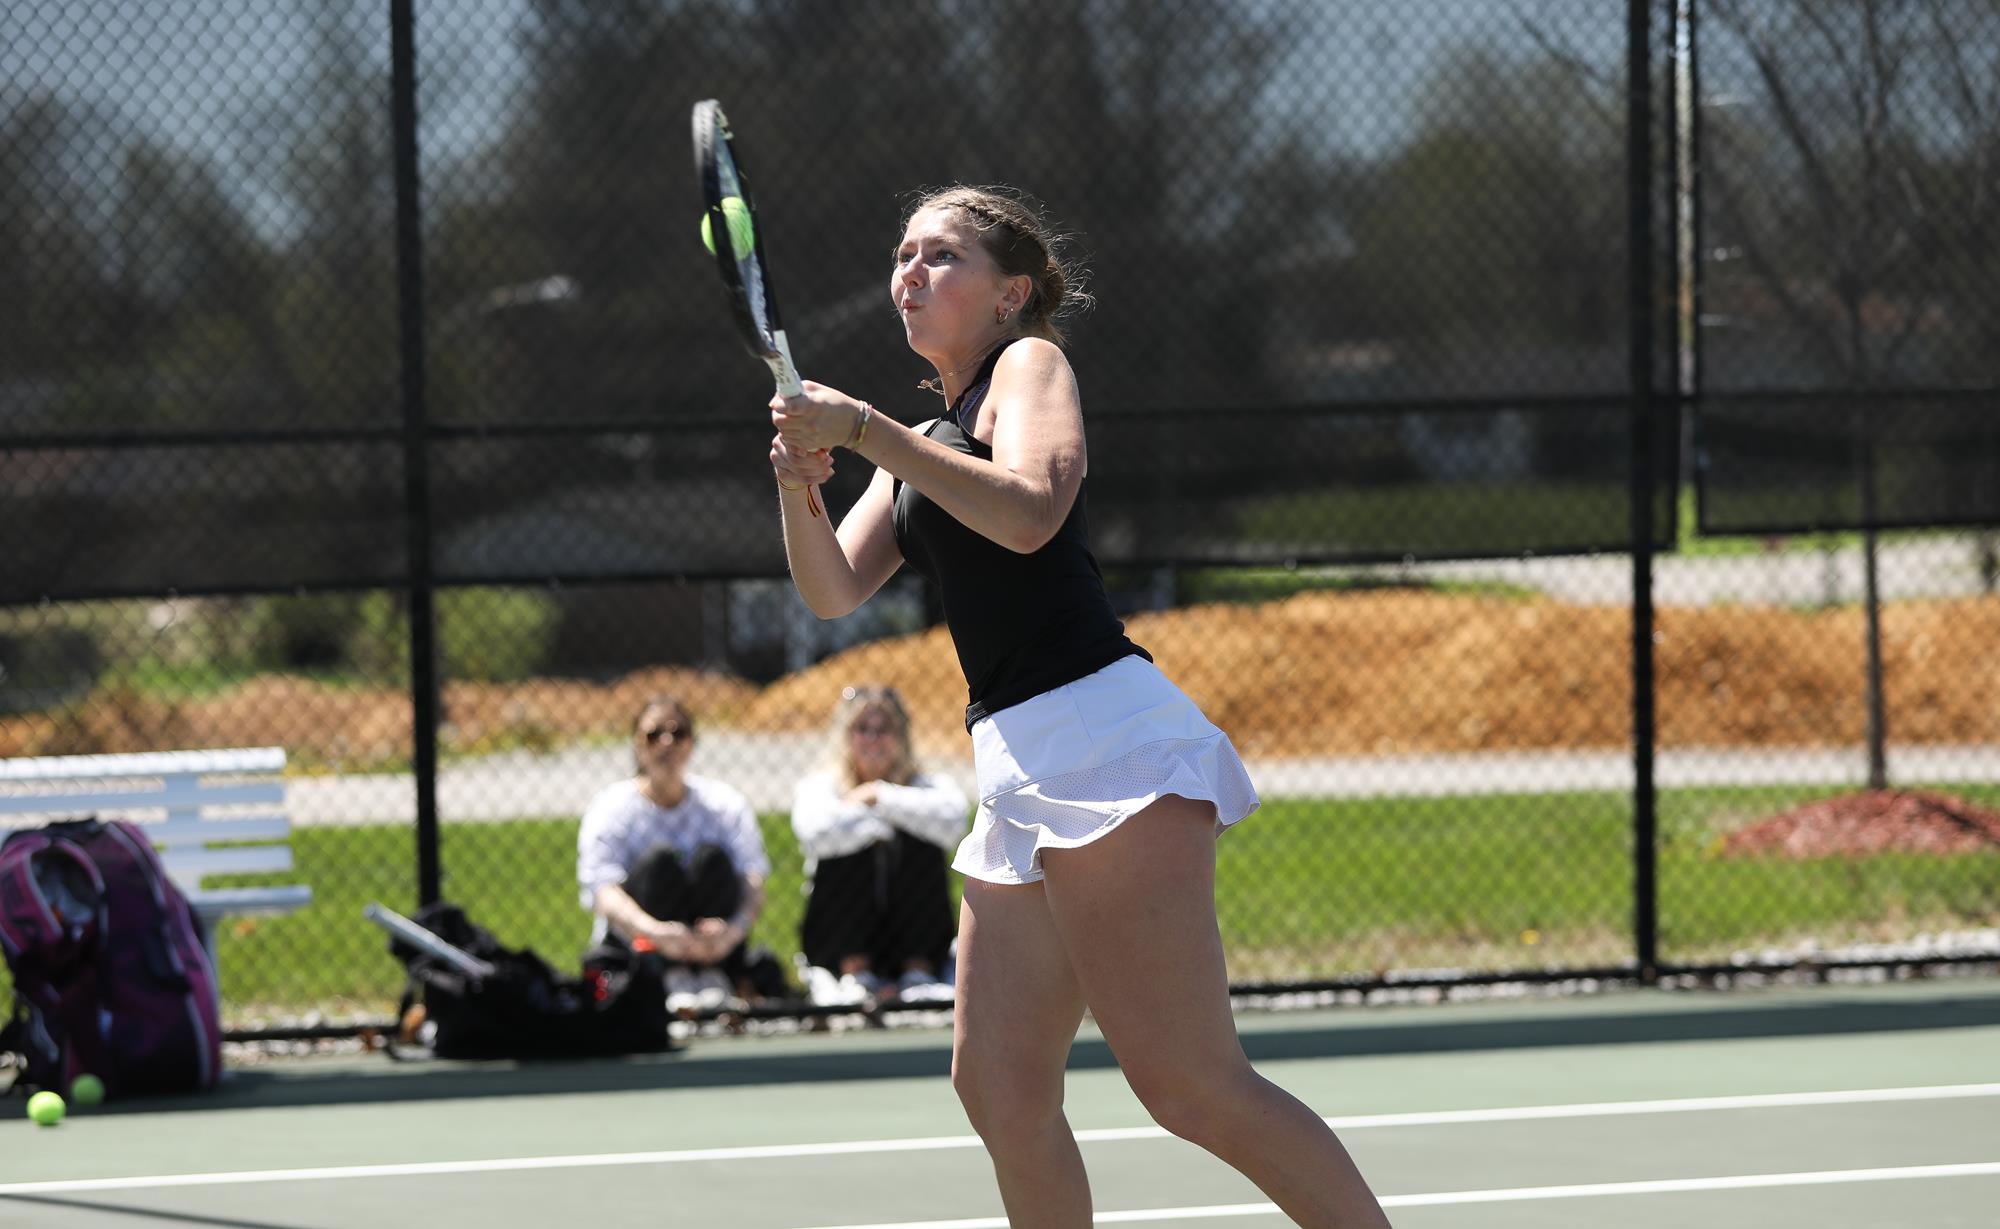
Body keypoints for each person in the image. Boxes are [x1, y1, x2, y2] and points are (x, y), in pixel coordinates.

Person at [767, 186, 1391, 1226]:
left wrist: (865, 428)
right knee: (999, 1085)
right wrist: (796, 479)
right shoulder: (925, 431)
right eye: (901, 254)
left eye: (940, 255)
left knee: (1188, 1084)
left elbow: (1028, 513)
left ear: (1011, 292)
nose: (909, 273)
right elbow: (831, 588)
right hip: (1014, 766)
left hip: (1109, 746)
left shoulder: (1030, 366)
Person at [576, 694, 772, 1012]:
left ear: (692, 743)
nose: (667, 743)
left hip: (714, 944)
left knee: (711, 858)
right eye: (654, 735)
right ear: (637, 744)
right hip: (643, 943)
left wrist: (733, 930)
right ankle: (671, 976)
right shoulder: (611, 806)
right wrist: (656, 933)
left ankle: (710, 973)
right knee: (660, 861)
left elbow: (753, 878)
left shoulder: (723, 803)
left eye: (678, 733)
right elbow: (602, 891)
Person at [791, 684, 968, 1006]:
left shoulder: (928, 783)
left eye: (883, 729)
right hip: (835, 938)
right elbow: (813, 833)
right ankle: (854, 970)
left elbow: (954, 822)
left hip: (906, 934)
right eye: (862, 729)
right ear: (846, 736)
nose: (872, 739)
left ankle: (919, 969)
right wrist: (882, 821)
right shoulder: (821, 784)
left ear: (901, 736)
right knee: (854, 841)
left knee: (919, 836)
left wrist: (878, 796)